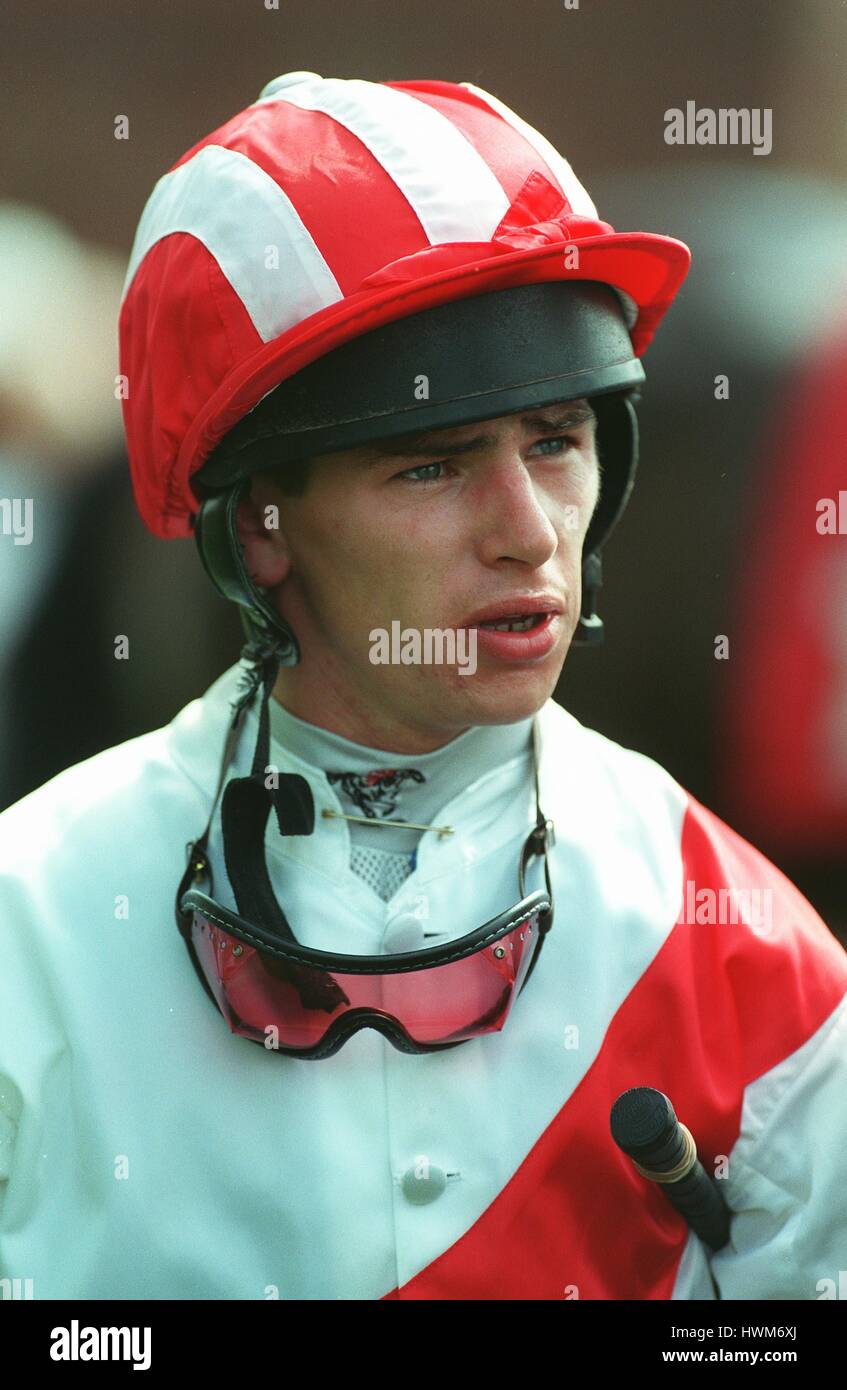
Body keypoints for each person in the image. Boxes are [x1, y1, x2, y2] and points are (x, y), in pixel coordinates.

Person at [0, 72, 844, 1302]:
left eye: (557, 440)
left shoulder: (757, 960)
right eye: (433, 465)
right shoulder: (30, 921)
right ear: (266, 528)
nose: (528, 533)